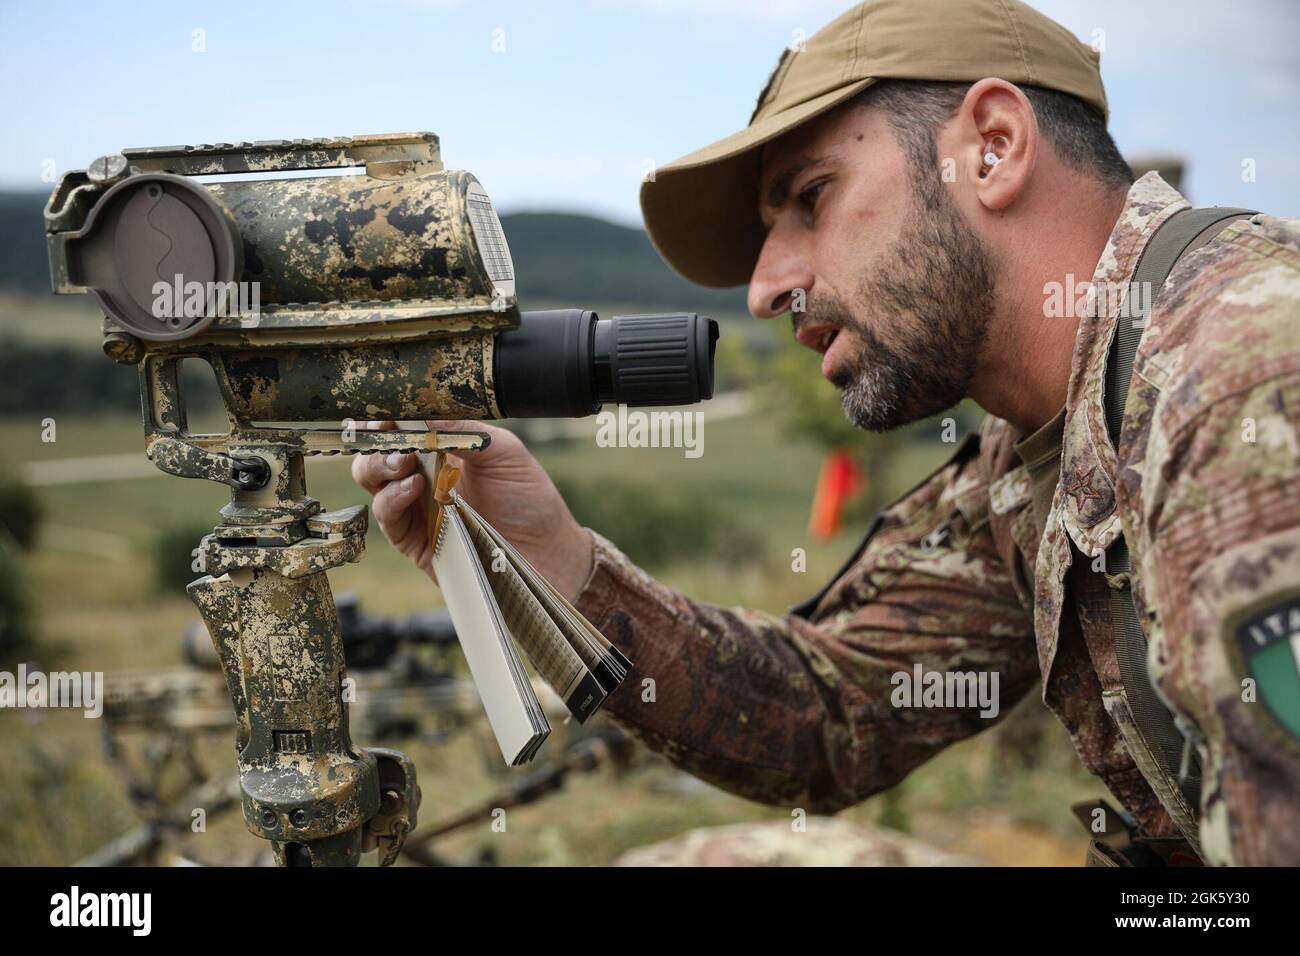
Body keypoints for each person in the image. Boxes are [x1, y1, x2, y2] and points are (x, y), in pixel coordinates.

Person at [353, 0, 1300, 865]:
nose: (766, 290)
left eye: (812, 197)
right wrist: (549, 558)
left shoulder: (1242, 378)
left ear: (995, 148)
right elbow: (828, 713)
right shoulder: (1039, 439)